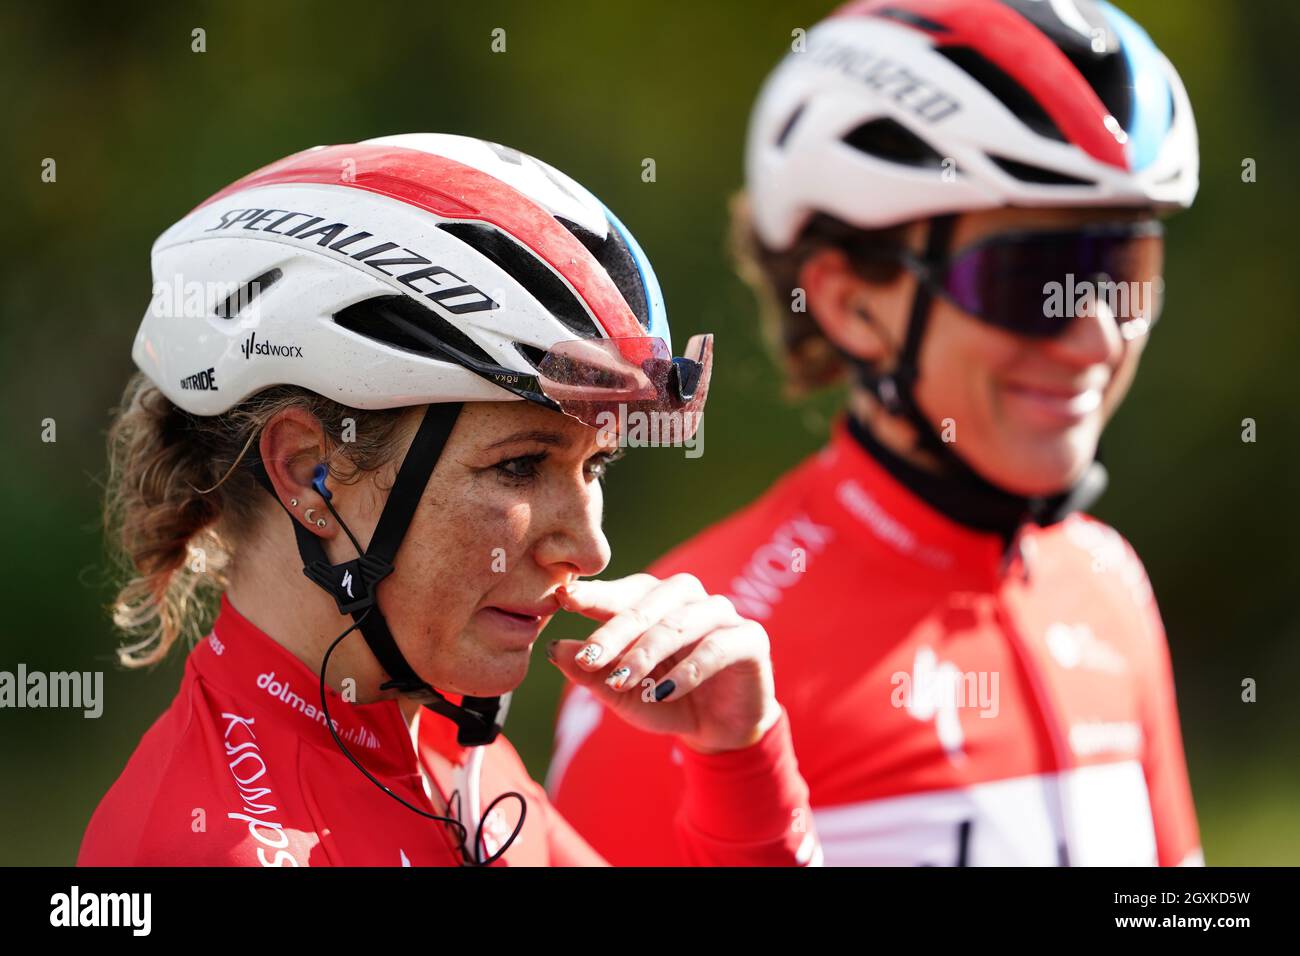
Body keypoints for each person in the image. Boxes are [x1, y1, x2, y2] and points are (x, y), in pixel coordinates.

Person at [548, 0, 1202, 866]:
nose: (1096, 335)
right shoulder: (692, 657)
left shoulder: (1108, 583)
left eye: (1125, 275)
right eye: (1030, 280)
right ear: (851, 304)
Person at [77, 133, 820, 867]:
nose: (592, 549)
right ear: (310, 474)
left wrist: (739, 760)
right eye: (522, 466)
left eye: (595, 465)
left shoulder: (449, 757)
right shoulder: (206, 846)